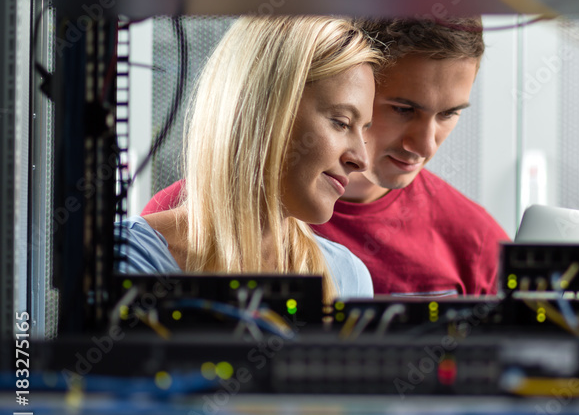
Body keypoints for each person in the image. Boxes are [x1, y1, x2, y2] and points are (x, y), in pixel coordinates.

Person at [145, 17, 509, 297]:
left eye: (448, 114)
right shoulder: (176, 220)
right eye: (403, 109)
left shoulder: (474, 239)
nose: (426, 145)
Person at [120, 16, 382, 302]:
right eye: (341, 122)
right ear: (262, 109)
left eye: (365, 130)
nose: (362, 160)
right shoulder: (128, 259)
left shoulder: (348, 276)